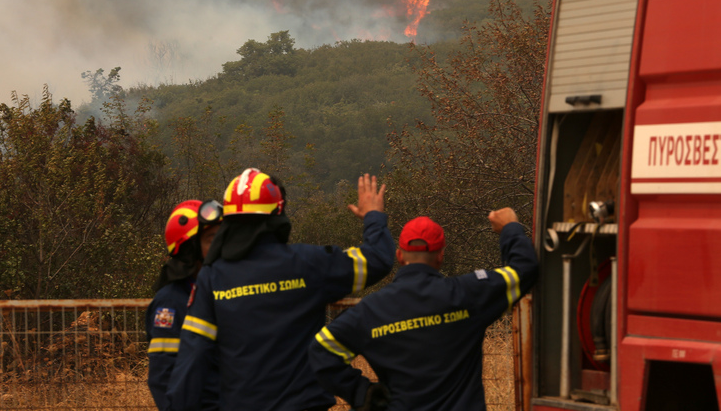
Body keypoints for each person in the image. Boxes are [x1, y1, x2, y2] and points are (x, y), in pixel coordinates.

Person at [167, 169, 395, 411]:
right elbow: (377, 259)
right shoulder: (309, 264)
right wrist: (373, 215)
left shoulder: (212, 278)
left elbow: (193, 359)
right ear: (278, 214)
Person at [308, 208, 539, 411]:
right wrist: (510, 227)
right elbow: (525, 268)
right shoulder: (468, 294)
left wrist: (363, 394)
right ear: (440, 255)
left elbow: (321, 350)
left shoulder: (370, 310)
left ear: (399, 256)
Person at [146, 199, 224, 411]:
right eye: (211, 239)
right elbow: (163, 377)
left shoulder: (216, 291)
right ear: (189, 248)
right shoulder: (170, 303)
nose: (220, 247)